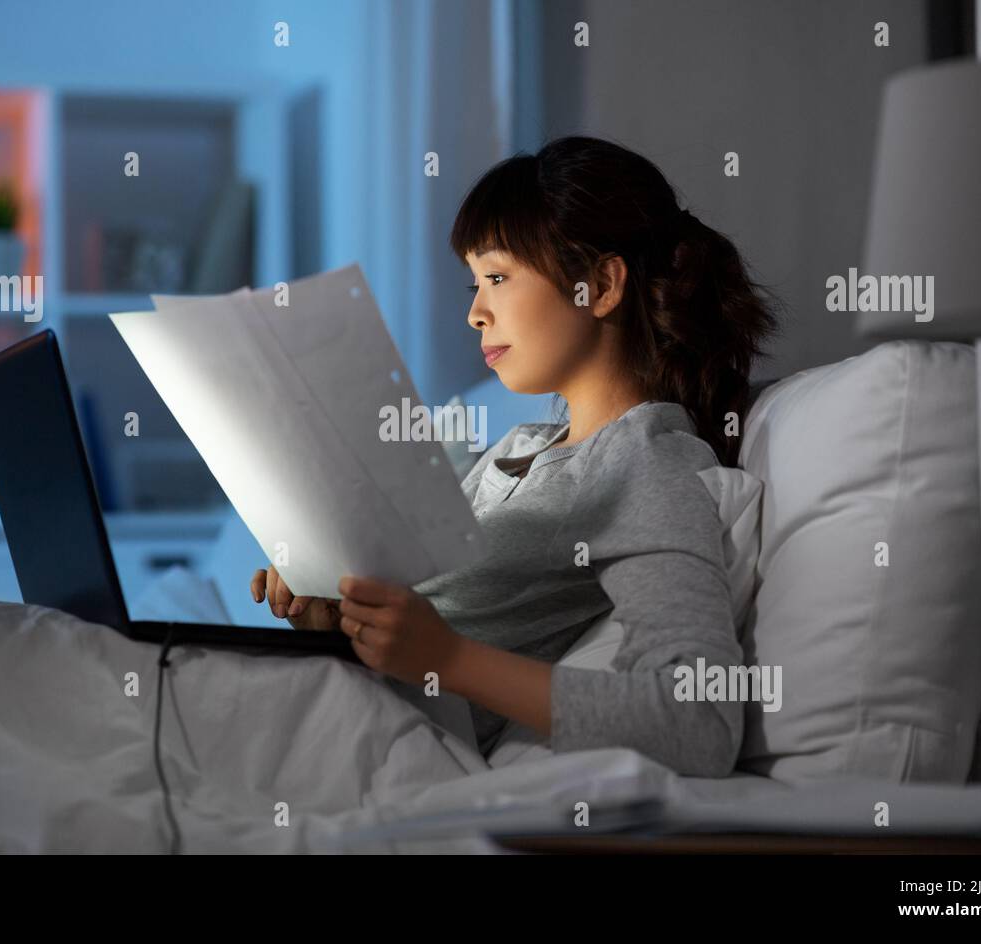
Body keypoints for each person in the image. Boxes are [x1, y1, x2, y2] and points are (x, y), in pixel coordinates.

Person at [251, 135, 782, 776]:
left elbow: (699, 723)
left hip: (389, 758)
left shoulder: (648, 461)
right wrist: (332, 618)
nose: (475, 312)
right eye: (474, 284)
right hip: (334, 723)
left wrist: (447, 660)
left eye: (497, 278)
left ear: (601, 285)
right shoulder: (518, 448)